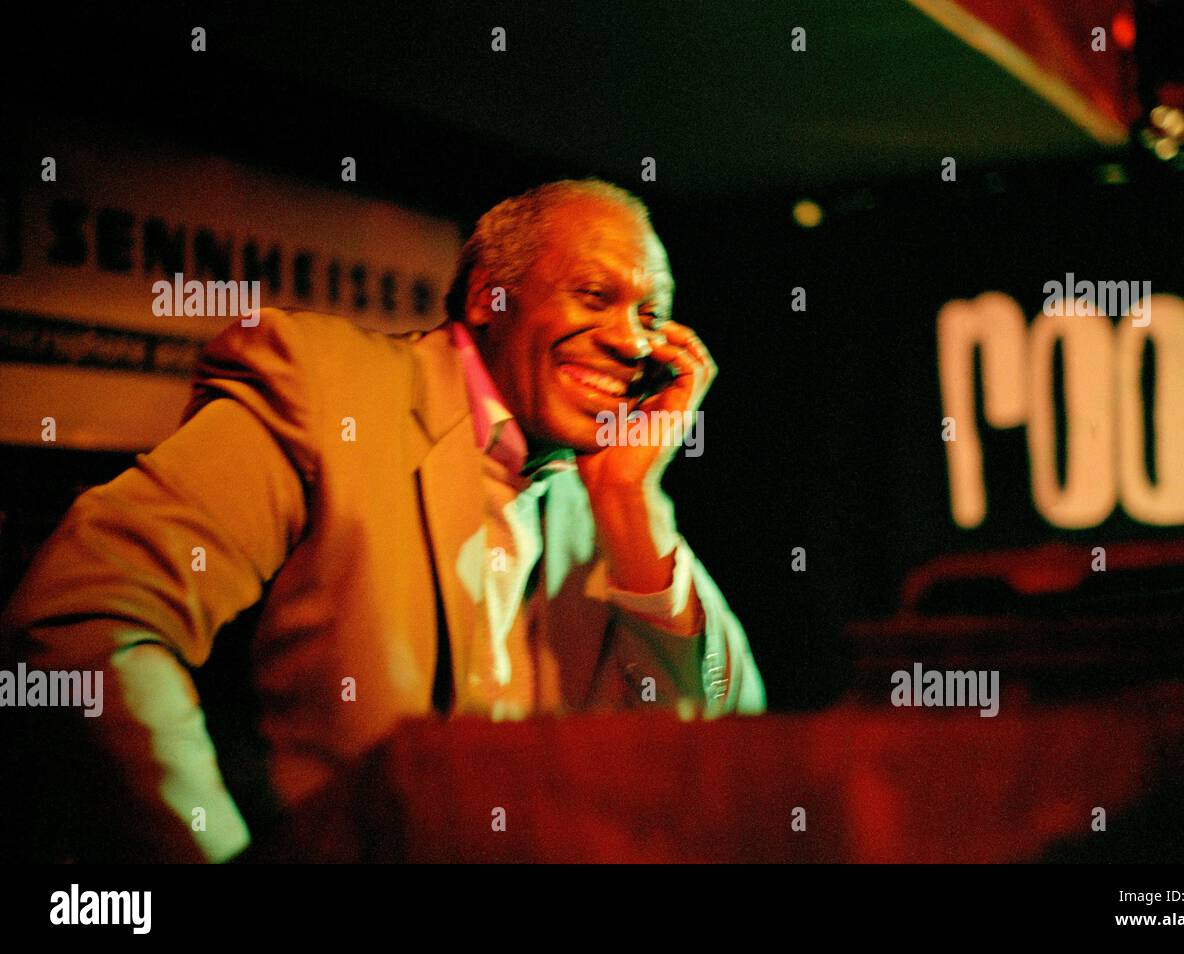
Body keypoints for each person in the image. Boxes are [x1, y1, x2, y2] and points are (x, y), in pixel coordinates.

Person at [0, 179, 764, 862]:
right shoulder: (325, 386)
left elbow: (715, 745)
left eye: (651, 313)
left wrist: (635, 504)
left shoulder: (608, 489)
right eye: (594, 296)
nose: (633, 341)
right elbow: (85, 616)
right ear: (486, 297)